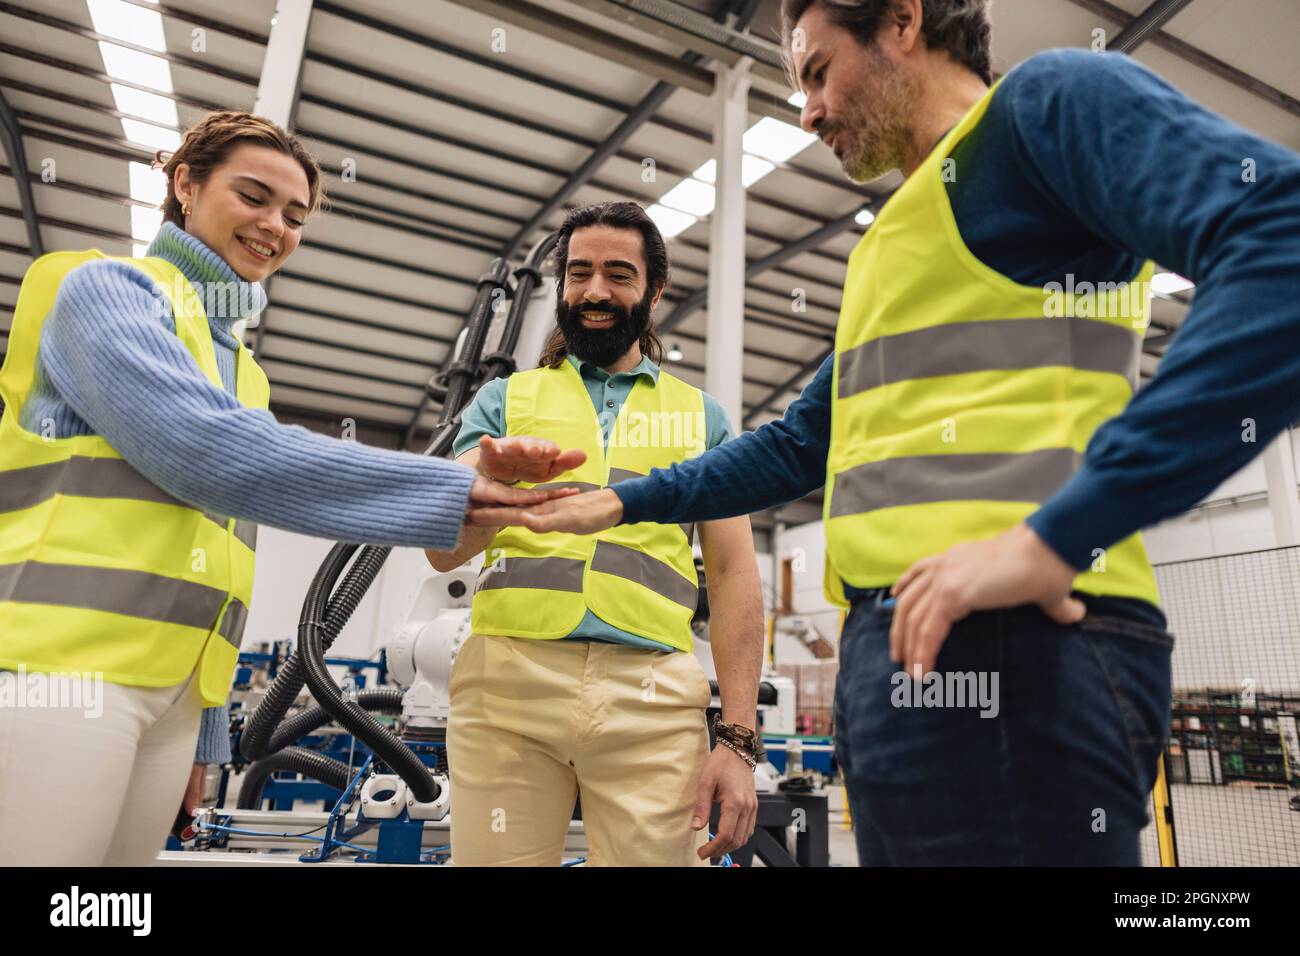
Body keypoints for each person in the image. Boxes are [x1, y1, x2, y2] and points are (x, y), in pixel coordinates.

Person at [476, 0, 1300, 865]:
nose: (808, 111)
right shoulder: (891, 240)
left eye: (819, 72)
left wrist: (1065, 532)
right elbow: (802, 443)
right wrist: (618, 500)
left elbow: (1278, 244)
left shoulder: (1042, 110)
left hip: (1019, 643)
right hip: (895, 656)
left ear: (903, 21)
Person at [0, 110, 573, 866]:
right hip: (57, 675)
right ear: (186, 184)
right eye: (254, 196)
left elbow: (216, 568)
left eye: (295, 216)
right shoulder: (106, 291)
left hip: (165, 703)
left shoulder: (242, 370)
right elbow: (202, 449)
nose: (275, 226)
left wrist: (198, 728)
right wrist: (449, 488)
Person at [427, 202, 764, 866]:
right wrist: (494, 483)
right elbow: (442, 552)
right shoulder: (505, 401)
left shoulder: (702, 418)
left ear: (654, 290)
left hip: (654, 701)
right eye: (579, 273)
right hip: (508, 692)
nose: (595, 291)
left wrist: (740, 740)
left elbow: (734, 577)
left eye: (617, 273)